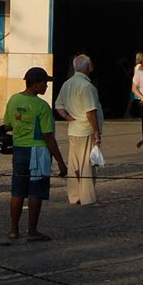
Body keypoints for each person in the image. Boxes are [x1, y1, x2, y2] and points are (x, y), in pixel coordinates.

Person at [2, 67, 68, 242]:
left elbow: (7, 126)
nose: (46, 86)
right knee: (35, 192)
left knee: (17, 191)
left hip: (19, 150)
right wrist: (61, 162)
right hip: (38, 151)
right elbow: (48, 136)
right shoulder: (42, 106)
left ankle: (13, 230)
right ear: (36, 84)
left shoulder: (14, 100)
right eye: (45, 83)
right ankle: (32, 231)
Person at [54, 53, 103, 206]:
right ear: (89, 67)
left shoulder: (67, 83)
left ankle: (74, 195)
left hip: (73, 128)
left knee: (74, 164)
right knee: (87, 165)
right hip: (86, 129)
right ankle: (88, 198)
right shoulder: (87, 86)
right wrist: (96, 132)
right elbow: (91, 111)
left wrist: (68, 117)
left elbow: (58, 105)